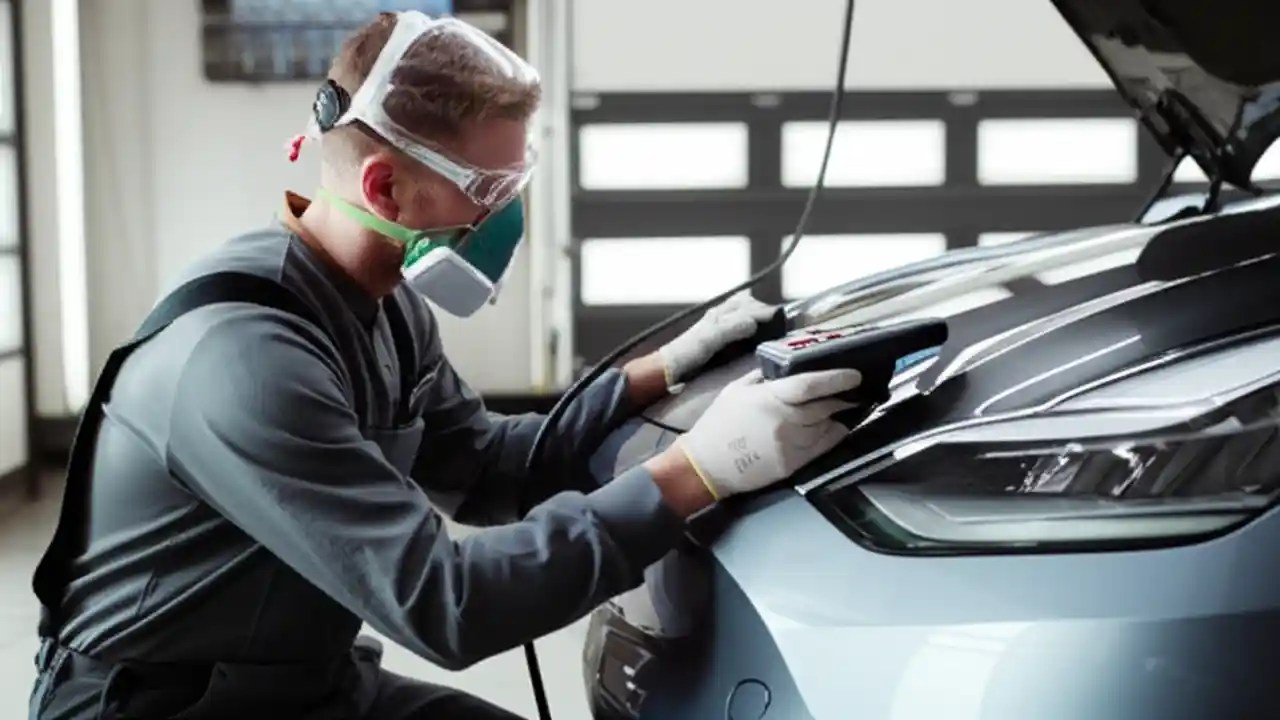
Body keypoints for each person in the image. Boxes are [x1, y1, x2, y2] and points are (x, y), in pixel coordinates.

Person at [27, 11, 860, 720]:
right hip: (163, 706)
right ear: (385, 188)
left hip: (302, 685)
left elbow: (491, 469)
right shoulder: (242, 361)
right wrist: (698, 473)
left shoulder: (384, 305)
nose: (506, 215)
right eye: (489, 188)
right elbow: (446, 603)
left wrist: (663, 369)